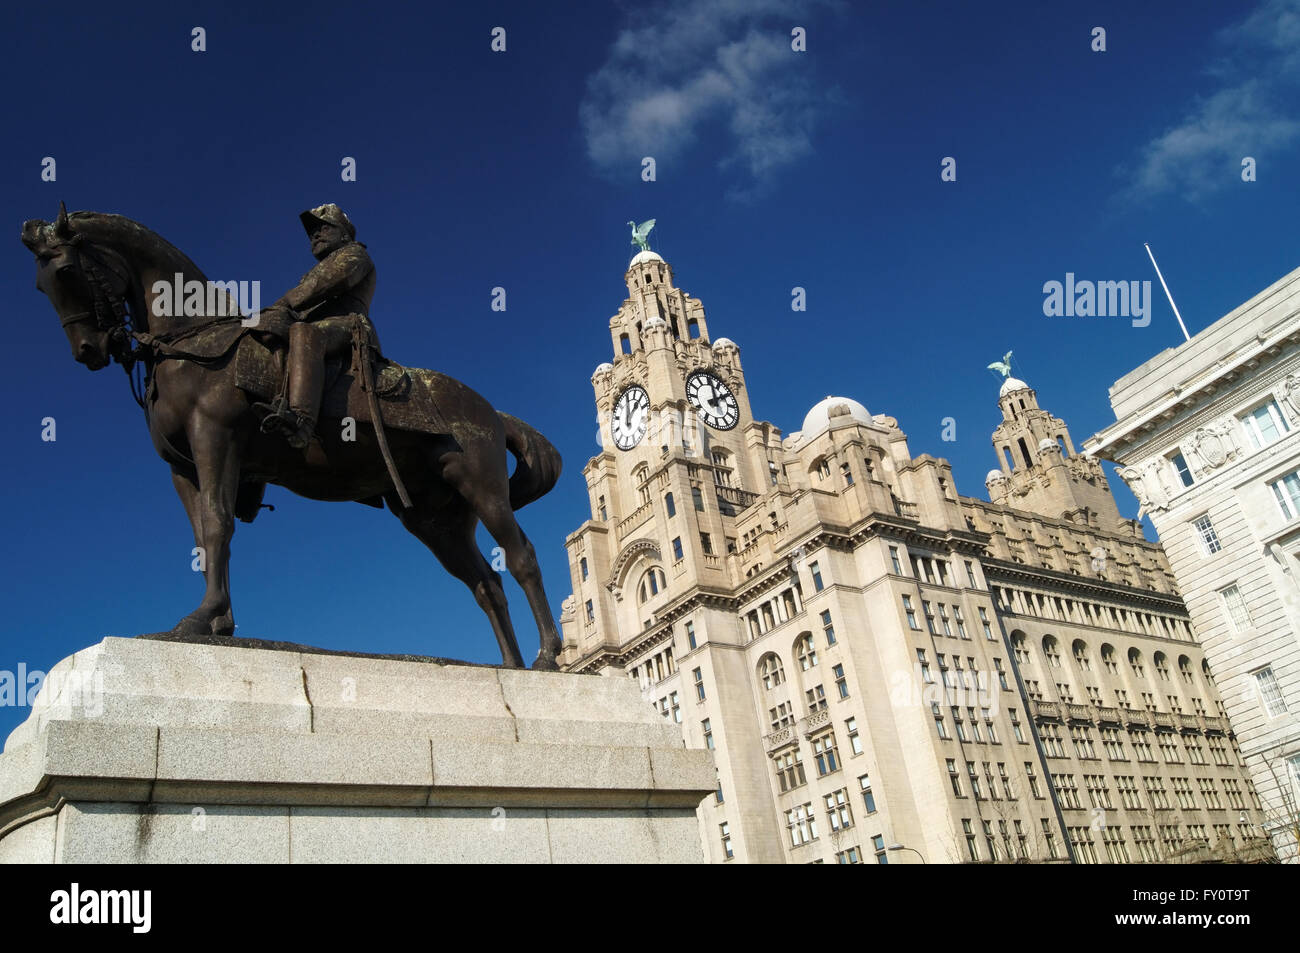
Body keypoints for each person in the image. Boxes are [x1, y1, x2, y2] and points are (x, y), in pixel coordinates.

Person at [253, 204, 379, 448]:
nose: (315, 236)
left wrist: (283, 304)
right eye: (312, 234)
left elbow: (328, 283)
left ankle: (301, 421)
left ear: (344, 233)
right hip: (318, 323)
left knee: (306, 333)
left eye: (323, 228)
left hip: (349, 327)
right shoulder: (312, 271)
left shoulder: (355, 254)